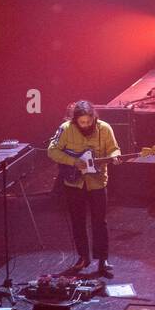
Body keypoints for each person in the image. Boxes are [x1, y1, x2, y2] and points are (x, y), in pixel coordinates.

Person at [47, 100, 120, 277]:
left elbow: (114, 149)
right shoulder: (65, 129)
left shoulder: (105, 128)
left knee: (99, 222)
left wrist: (115, 156)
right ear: (75, 121)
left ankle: (103, 259)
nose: (86, 125)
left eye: (89, 122)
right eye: (82, 122)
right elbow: (52, 151)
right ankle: (83, 257)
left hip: (97, 182)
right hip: (74, 183)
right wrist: (73, 162)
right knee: (77, 221)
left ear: (94, 118)